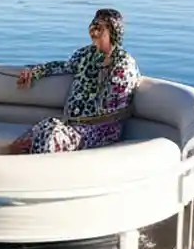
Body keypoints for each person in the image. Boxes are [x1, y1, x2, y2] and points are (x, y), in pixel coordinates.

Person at [9, 8, 140, 154]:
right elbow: (63, 66)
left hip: (100, 130)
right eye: (94, 24)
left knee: (50, 136)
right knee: (37, 131)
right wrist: (35, 72)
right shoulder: (85, 54)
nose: (94, 30)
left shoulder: (123, 64)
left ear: (113, 32)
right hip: (72, 125)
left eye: (100, 27)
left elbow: (114, 107)